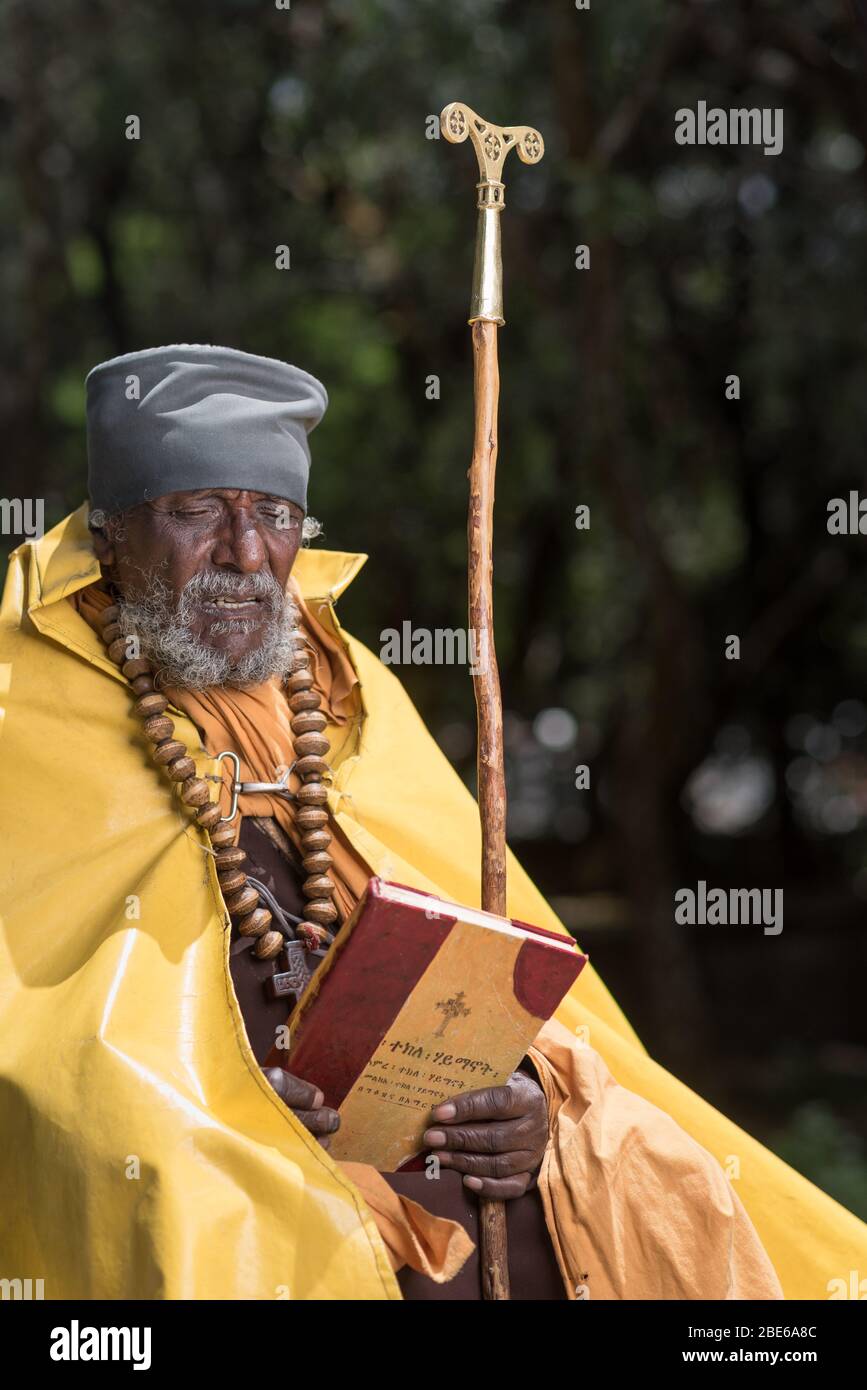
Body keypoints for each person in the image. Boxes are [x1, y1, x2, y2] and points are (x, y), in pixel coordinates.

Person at [0, 345, 861, 1300]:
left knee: (640, 1186)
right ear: (111, 534)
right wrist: (199, 1106)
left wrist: (528, 1098)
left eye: (275, 514)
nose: (247, 556)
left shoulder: (343, 684)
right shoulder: (20, 705)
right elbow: (36, 1055)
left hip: (443, 1174)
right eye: (197, 510)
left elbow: (496, 973)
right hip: (209, 1186)